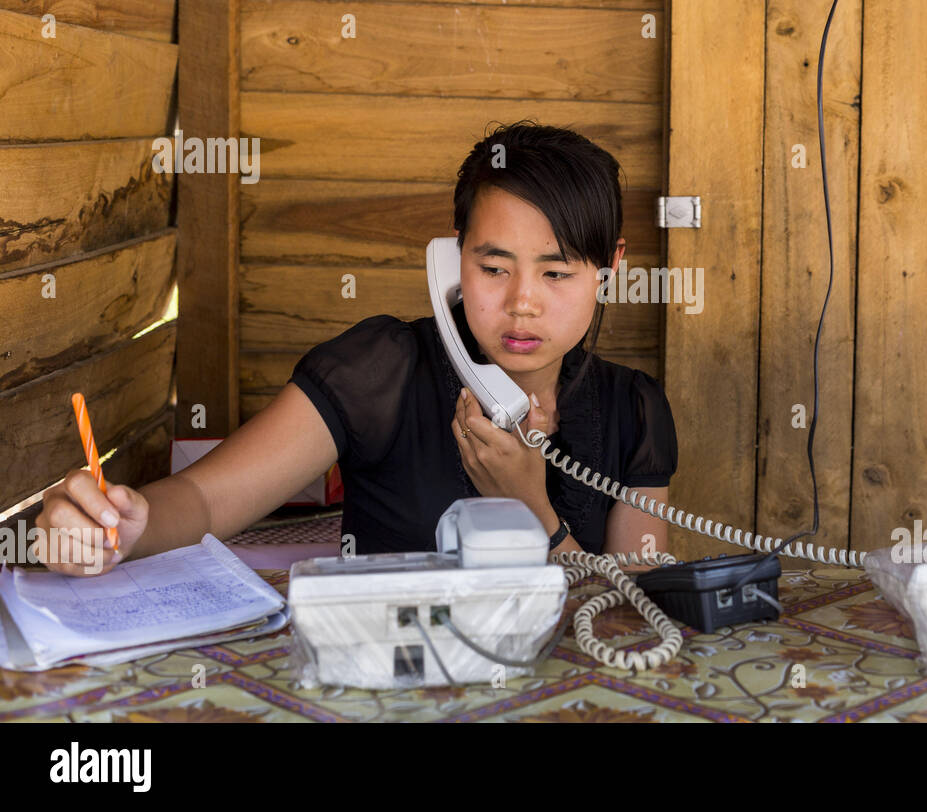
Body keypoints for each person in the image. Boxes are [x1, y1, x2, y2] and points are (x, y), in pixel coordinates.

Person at [35, 120, 677, 576]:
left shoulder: (634, 412)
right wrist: (129, 524)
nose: (521, 303)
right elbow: (205, 499)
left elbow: (633, 618)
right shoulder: (380, 370)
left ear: (610, 266)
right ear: (453, 260)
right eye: (492, 267)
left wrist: (534, 509)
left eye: (557, 273)